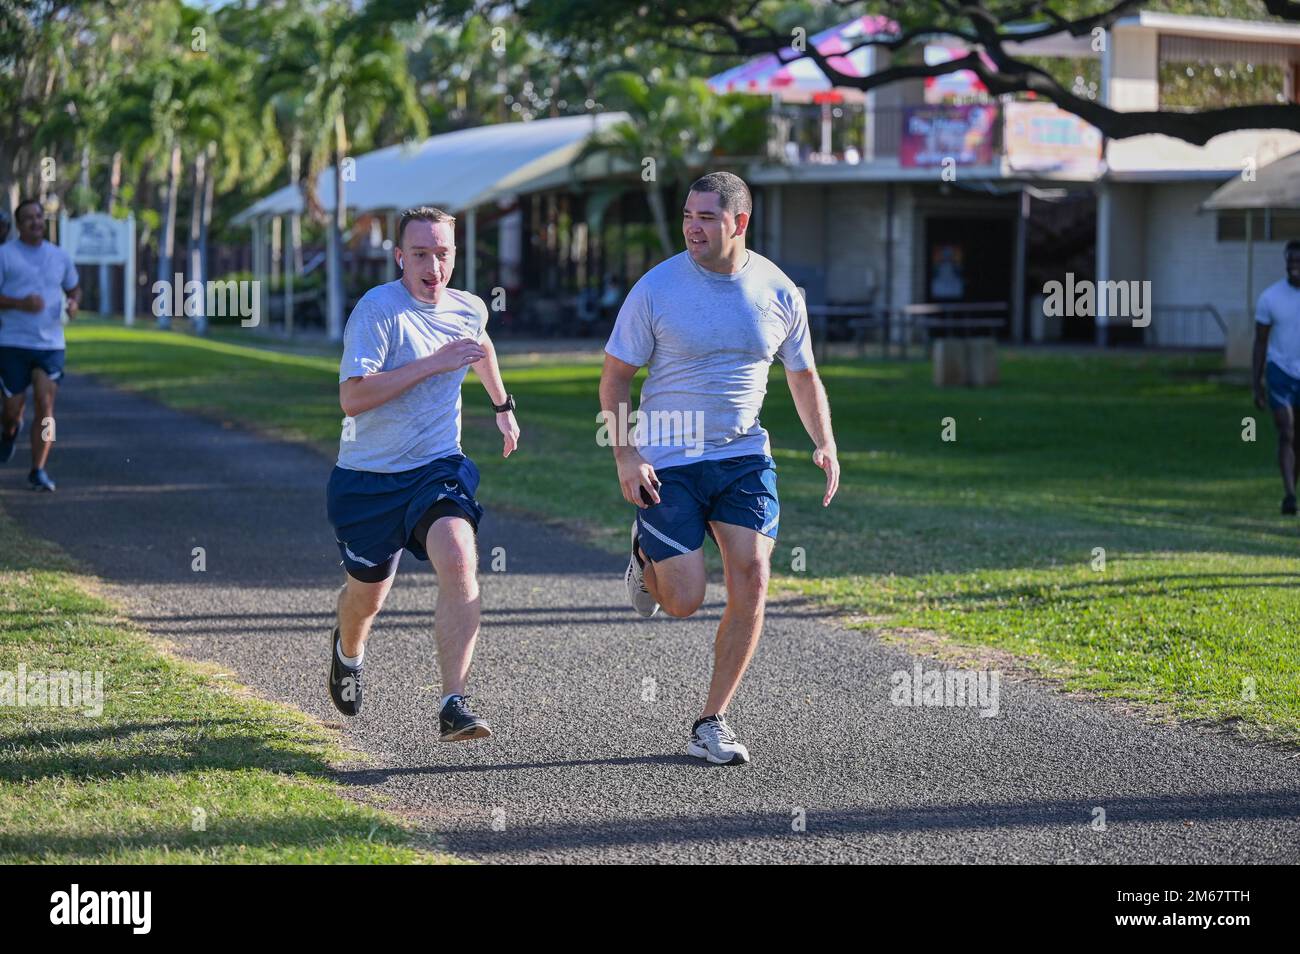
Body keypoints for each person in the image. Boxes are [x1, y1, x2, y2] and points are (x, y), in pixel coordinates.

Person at [599, 171, 840, 766]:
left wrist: (825, 443)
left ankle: (711, 720)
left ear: (740, 222)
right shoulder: (657, 288)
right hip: (668, 459)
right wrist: (626, 454)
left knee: (753, 575)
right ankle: (644, 558)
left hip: (742, 457)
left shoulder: (779, 291)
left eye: (706, 216)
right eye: (687, 214)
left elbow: (802, 375)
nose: (692, 227)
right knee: (682, 600)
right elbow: (615, 379)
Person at [325, 206, 520, 742]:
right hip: (369, 479)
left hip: (437, 465)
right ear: (399, 258)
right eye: (420, 255)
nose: (433, 265)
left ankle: (455, 700)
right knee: (367, 596)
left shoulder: (469, 307)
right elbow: (352, 397)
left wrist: (502, 405)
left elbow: (478, 346)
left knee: (459, 557)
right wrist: (431, 364)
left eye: (443, 253)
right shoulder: (378, 311)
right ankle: (348, 649)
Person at [0, 198, 80, 491]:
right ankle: (9, 432)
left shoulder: (59, 256)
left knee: (45, 406)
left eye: (39, 216)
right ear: (19, 226)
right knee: (11, 411)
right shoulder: (5, 255)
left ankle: (38, 469)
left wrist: (73, 304)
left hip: (50, 345)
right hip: (12, 343)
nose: (35, 222)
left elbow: (74, 288)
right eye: (28, 218)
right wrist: (21, 303)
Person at [1253, 240, 1300, 515]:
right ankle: (1289, 493)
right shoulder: (1270, 298)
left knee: (1298, 439)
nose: (1294, 267)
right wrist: (1256, 381)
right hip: (1279, 372)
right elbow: (1260, 342)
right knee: (1286, 430)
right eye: (1290, 262)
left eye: (1299, 262)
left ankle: (1292, 489)